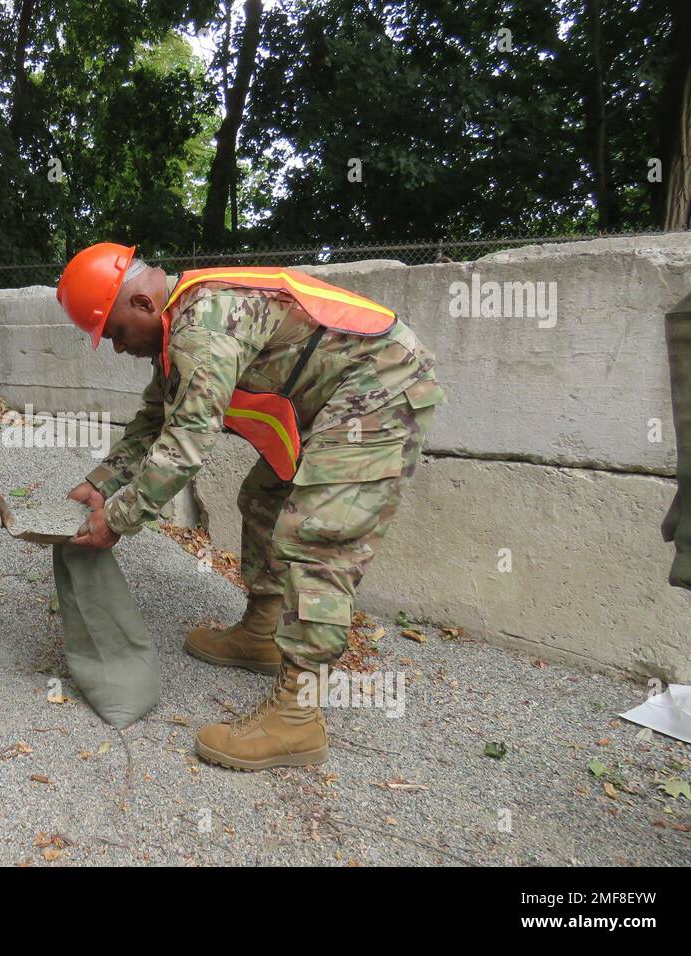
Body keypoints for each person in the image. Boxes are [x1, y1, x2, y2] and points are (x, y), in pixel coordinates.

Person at [57, 243, 445, 770]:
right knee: (263, 497)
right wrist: (101, 484)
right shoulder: (180, 328)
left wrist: (119, 521)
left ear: (144, 306)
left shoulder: (203, 326)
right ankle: (263, 631)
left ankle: (297, 719)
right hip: (343, 395)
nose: (120, 350)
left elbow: (188, 442)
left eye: (117, 334)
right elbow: (155, 422)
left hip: (380, 388)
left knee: (317, 536)